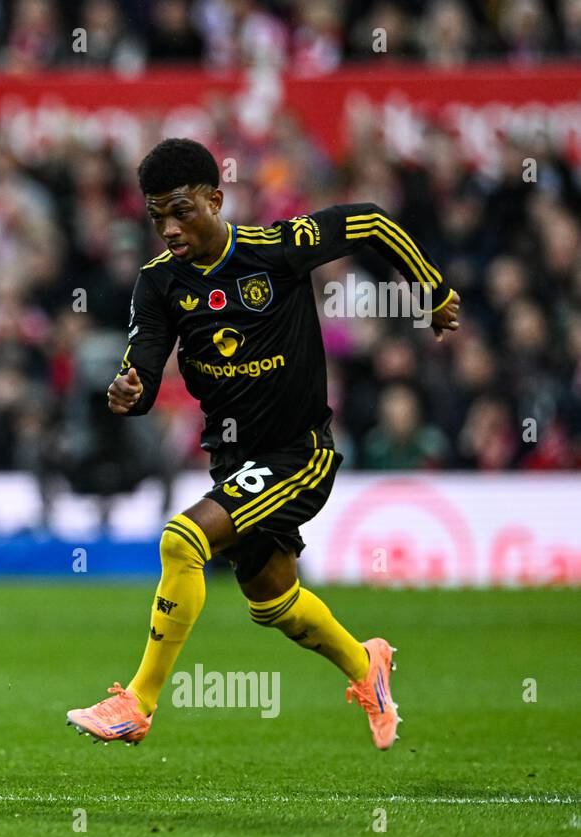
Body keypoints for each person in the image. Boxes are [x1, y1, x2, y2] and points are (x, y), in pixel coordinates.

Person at [66, 138, 461, 750]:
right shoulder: (159, 284)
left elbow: (373, 223)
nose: (168, 228)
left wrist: (430, 290)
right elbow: (141, 368)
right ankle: (367, 666)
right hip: (234, 461)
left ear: (215, 199)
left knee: (182, 540)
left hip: (298, 455)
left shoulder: (277, 249)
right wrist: (130, 390)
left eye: (181, 211)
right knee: (273, 601)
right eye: (155, 217)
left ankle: (136, 703)